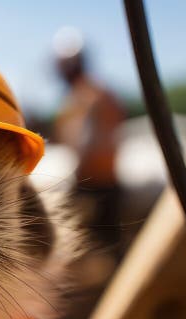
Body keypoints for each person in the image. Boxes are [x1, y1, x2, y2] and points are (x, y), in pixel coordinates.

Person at [53, 27, 125, 260]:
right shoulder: (80, 98)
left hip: (98, 186)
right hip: (93, 184)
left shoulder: (92, 97)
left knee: (104, 252)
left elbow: (91, 145)